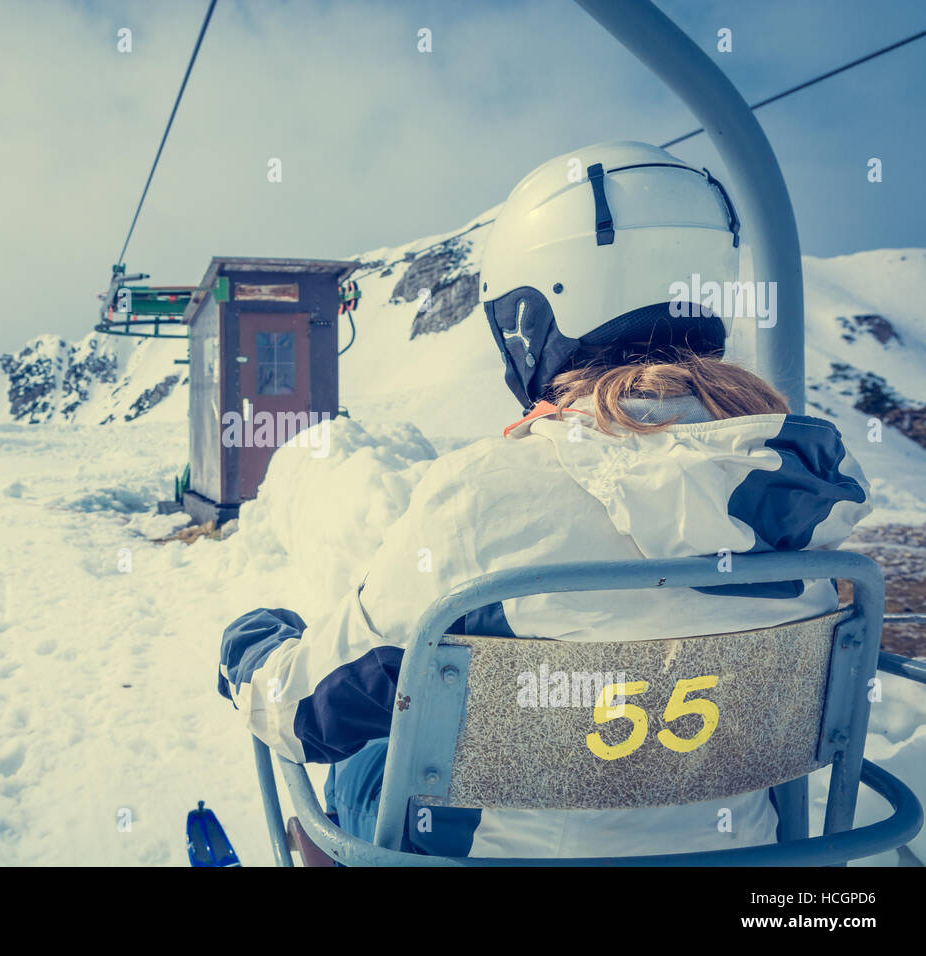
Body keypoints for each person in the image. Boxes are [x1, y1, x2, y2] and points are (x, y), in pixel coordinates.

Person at [216, 141, 872, 859]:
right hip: (745, 854)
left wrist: (253, 651)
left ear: (532, 318)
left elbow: (312, 712)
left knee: (359, 764)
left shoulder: (488, 496)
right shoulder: (804, 492)